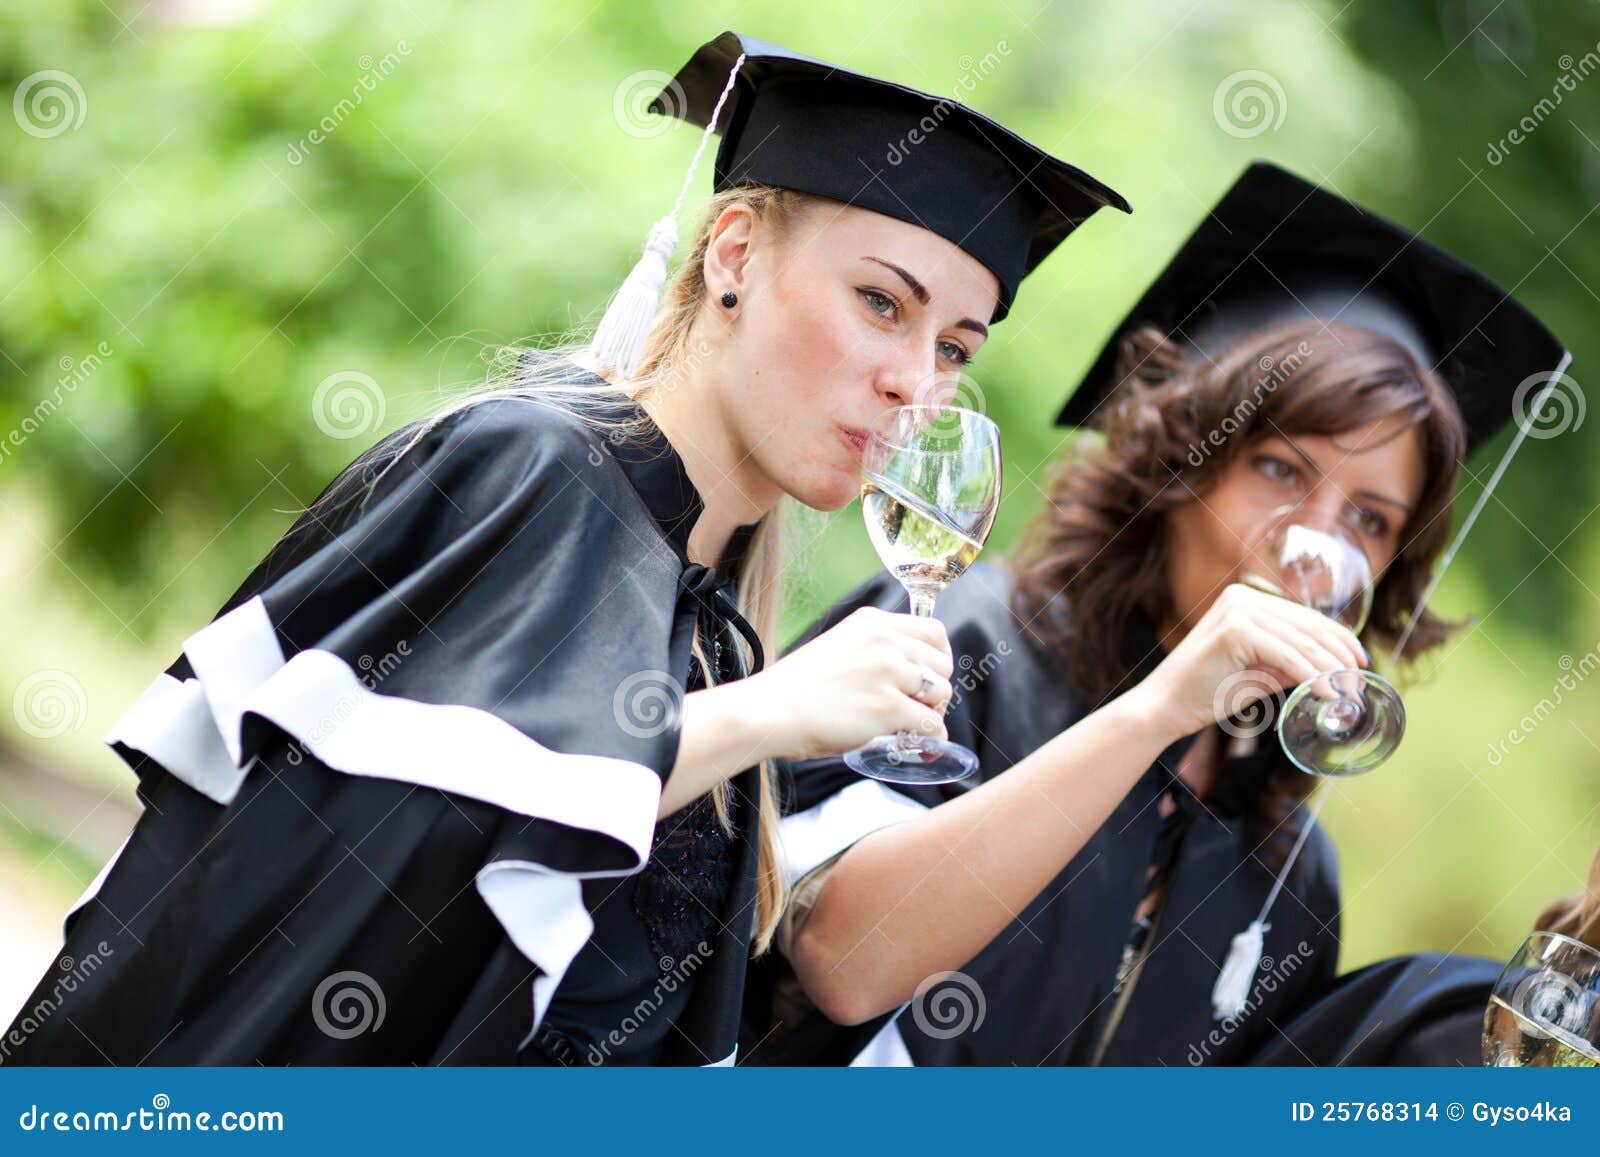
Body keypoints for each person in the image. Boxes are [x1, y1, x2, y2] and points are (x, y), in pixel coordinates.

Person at [1, 30, 1133, 1066]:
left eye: (954, 347)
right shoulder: (527, 465)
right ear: (734, 254)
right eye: (883, 303)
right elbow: (363, 839)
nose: (915, 382)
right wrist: (764, 716)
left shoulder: (719, 623)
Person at [740, 161, 1569, 1066]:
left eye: (1370, 520)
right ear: (1183, 462)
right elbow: (840, 959)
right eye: (1281, 471)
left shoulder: (1290, 871)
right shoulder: (962, 642)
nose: (1316, 544)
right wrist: (1160, 709)